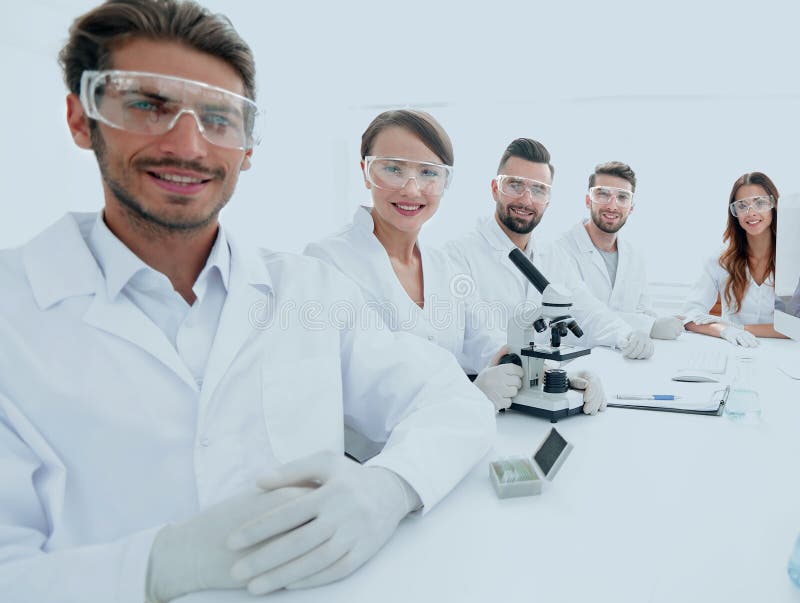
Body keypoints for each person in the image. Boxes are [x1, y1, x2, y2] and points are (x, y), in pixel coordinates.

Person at [0, 2, 496, 602]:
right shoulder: (15, 313)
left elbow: (449, 400)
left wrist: (390, 486)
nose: (188, 145)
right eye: (147, 106)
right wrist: (155, 566)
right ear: (82, 120)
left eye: (218, 117)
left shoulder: (307, 291)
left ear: (249, 146)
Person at [304, 110, 530, 413]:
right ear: (365, 172)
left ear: (445, 180)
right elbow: (352, 387)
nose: (411, 189)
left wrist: (550, 374)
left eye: (428, 173)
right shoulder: (326, 262)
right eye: (393, 169)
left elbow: (488, 343)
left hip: (453, 442)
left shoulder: (445, 267)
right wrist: (466, 398)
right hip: (368, 456)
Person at [445, 138, 654, 360]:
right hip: (486, 381)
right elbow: (478, 335)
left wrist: (627, 336)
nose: (526, 199)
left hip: (539, 378)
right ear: (496, 189)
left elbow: (587, 310)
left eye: (538, 189)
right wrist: (510, 365)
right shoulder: (458, 255)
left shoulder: (552, 256)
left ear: (548, 200)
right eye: (515, 185)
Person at [553, 161, 683, 341]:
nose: (612, 206)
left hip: (626, 357)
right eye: (603, 194)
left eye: (622, 197)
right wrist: (648, 326)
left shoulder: (634, 257)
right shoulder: (560, 251)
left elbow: (643, 310)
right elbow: (579, 316)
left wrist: (657, 321)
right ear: (588, 200)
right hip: (578, 361)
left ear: (631, 207)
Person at [682, 171, 788, 346]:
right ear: (734, 212)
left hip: (785, 357)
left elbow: (795, 326)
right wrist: (724, 331)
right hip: (735, 351)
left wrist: (738, 328)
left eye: (760, 203)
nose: (751, 212)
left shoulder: (793, 261)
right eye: (742, 205)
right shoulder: (720, 261)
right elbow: (690, 316)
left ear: (774, 206)